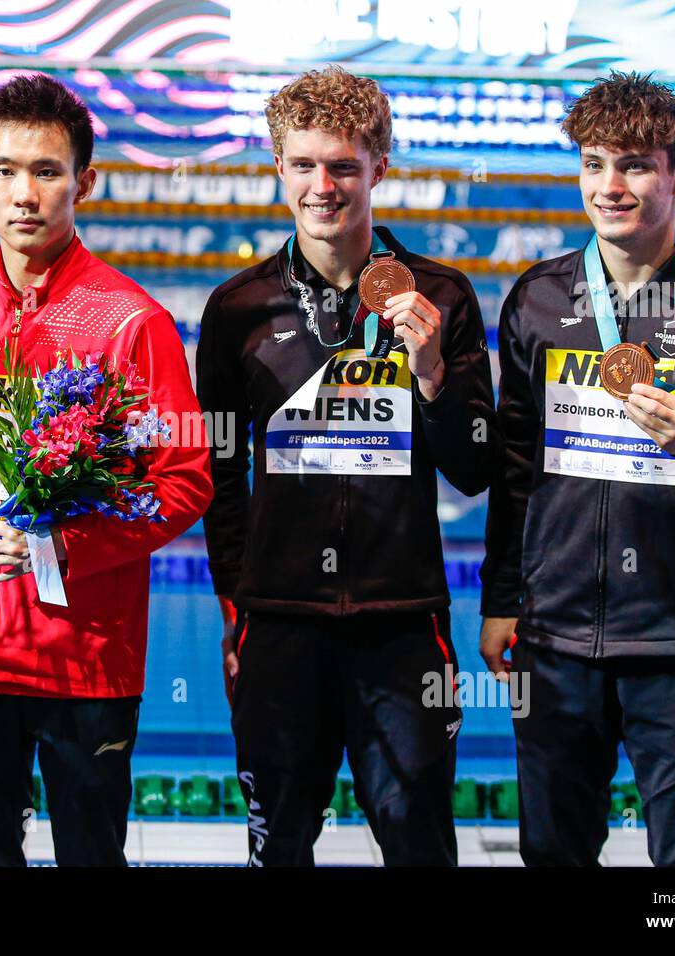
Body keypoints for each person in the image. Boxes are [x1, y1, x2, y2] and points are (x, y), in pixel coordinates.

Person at [0, 73, 213, 866]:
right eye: (6, 171)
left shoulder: (133, 323)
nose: (25, 194)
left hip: (84, 661)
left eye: (48, 171)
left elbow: (185, 478)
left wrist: (66, 547)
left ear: (84, 182)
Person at [479, 72, 675, 866]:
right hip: (554, 638)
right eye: (593, 163)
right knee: (552, 854)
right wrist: (501, 600)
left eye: (633, 165)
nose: (609, 186)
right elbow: (517, 465)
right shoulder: (538, 297)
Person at [197, 66, 497, 866]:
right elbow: (221, 472)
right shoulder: (236, 310)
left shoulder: (443, 298)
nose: (321, 185)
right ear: (279, 168)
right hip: (278, 623)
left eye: (343, 166)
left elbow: (474, 466)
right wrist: (238, 602)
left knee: (418, 842)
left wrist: (433, 370)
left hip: (402, 625)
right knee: (279, 843)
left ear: (379, 170)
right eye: (303, 164)